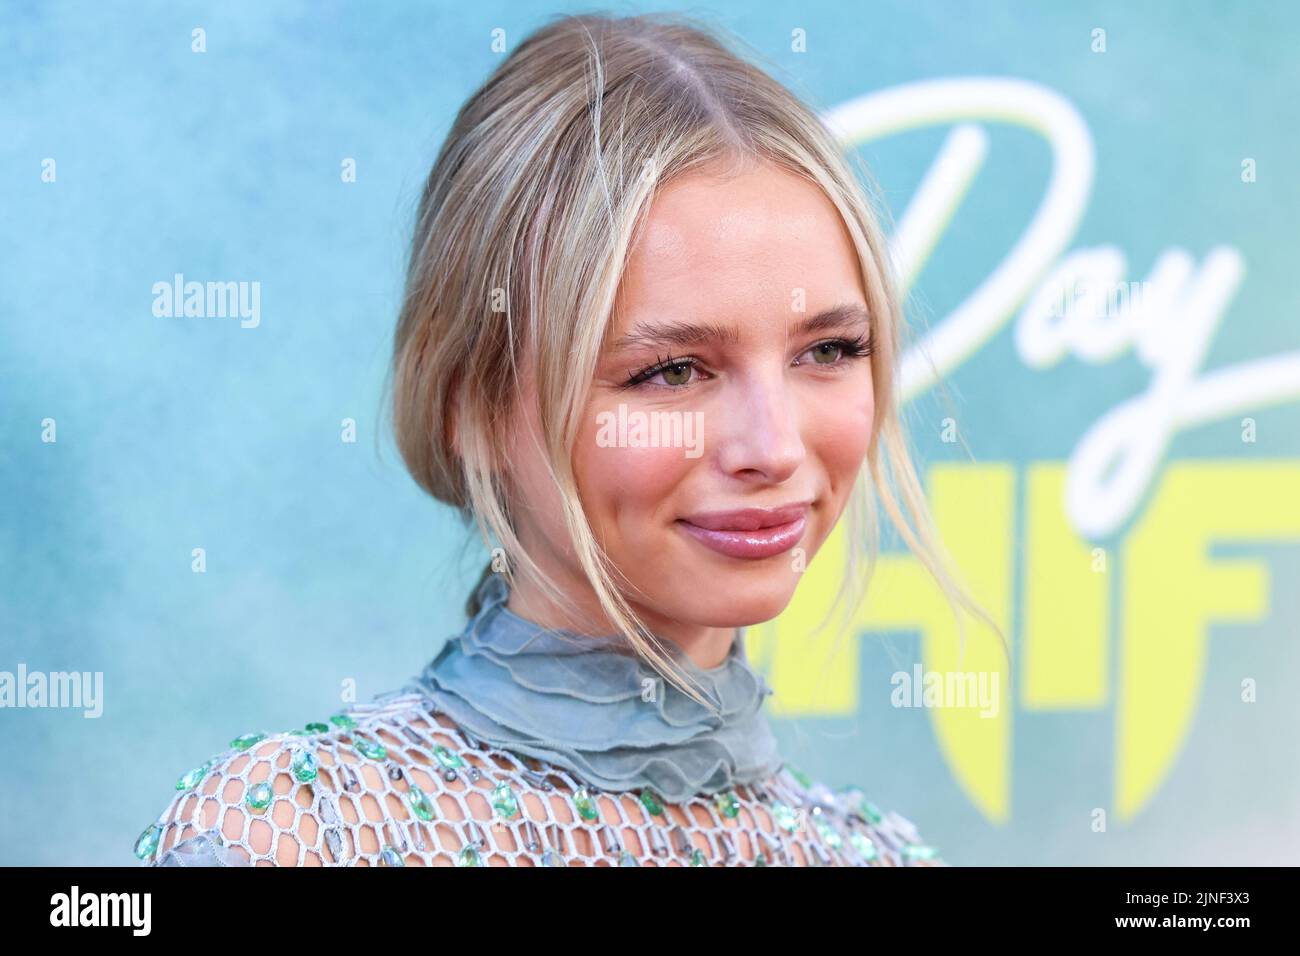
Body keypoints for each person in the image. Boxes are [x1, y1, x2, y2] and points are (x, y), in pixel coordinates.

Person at [133, 10, 1001, 867]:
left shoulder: (876, 858)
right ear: (469, 403)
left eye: (828, 351)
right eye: (672, 370)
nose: (771, 447)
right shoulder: (297, 835)